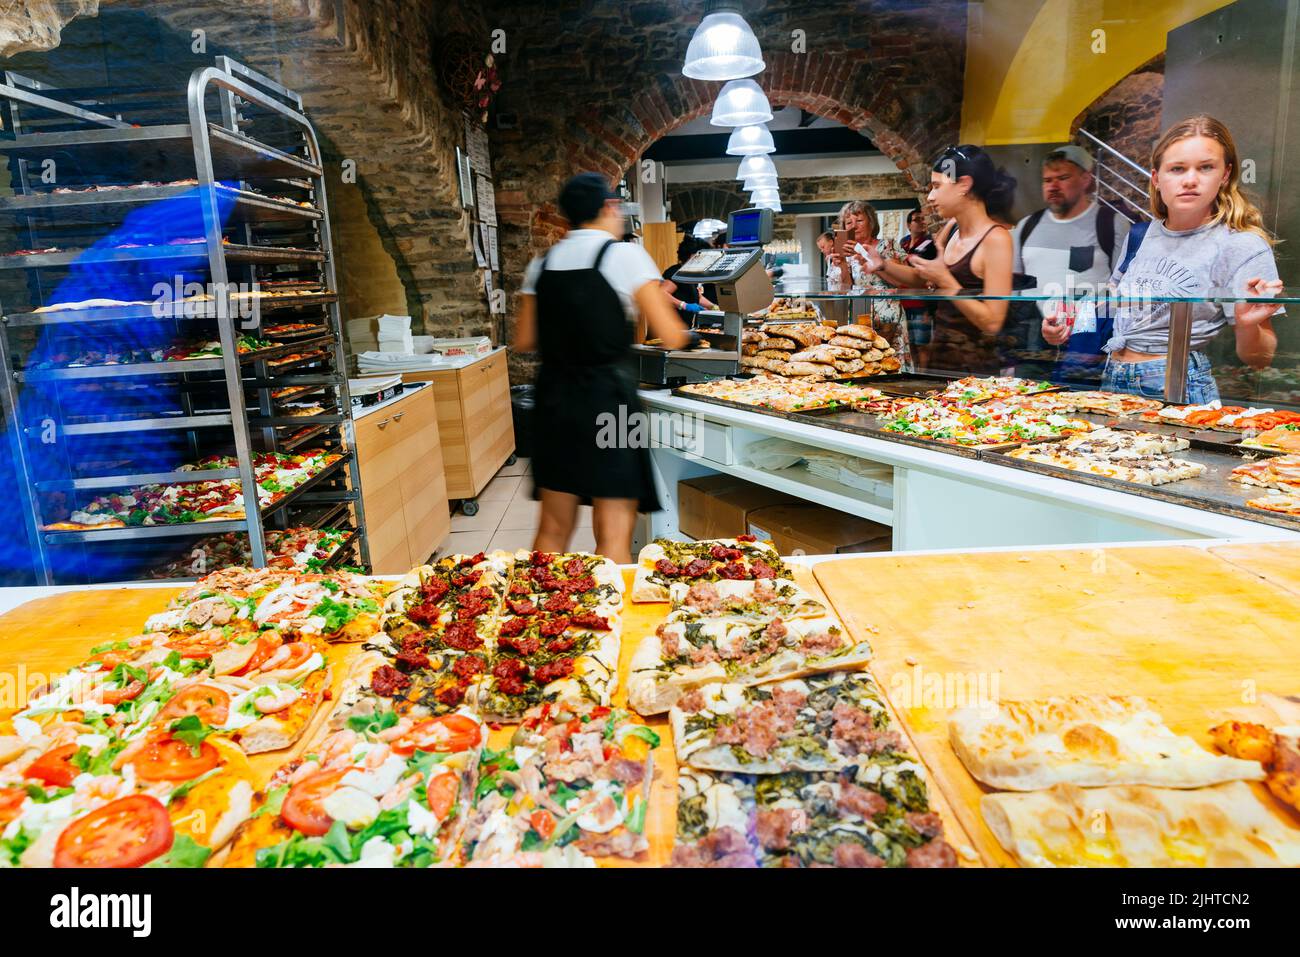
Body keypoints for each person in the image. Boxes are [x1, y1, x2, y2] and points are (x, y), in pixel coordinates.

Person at [511, 172, 691, 563]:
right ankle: (613, 616)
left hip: (555, 399)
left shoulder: (541, 265)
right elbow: (672, 336)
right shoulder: (624, 255)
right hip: (610, 403)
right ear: (609, 207)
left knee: (553, 528)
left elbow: (524, 340)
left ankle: (543, 613)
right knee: (613, 535)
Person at [1042, 115, 1284, 404]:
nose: (1190, 180)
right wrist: (1067, 327)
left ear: (1224, 175)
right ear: (1157, 178)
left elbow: (1260, 358)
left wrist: (1247, 325)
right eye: (1177, 169)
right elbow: (1111, 303)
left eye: (1206, 167)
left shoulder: (1242, 245)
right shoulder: (1142, 234)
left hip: (1177, 382)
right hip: (1112, 376)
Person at [857, 146, 1016, 375]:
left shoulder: (996, 239)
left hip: (976, 369)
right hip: (940, 358)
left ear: (964, 185)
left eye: (937, 186)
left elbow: (992, 322)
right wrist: (882, 264)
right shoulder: (951, 228)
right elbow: (923, 278)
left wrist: (946, 281)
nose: (930, 196)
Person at [1012, 144, 1130, 381]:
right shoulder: (1026, 226)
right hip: (1034, 340)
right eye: (1047, 180)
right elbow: (1016, 284)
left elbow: (1122, 289)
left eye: (1063, 178)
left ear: (1085, 179)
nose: (1053, 186)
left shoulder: (1112, 224)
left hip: (1089, 340)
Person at [827, 199, 912, 368]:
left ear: (871, 222)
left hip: (889, 318)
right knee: (865, 366)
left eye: (859, 220)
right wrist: (843, 264)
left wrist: (870, 258)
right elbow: (846, 290)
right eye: (848, 222)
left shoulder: (888, 245)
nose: (854, 226)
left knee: (893, 365)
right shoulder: (845, 252)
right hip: (860, 317)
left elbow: (902, 281)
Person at [899, 208, 938, 366]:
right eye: (917, 219)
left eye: (924, 219)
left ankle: (924, 375)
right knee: (910, 344)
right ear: (909, 224)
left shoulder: (931, 244)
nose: (922, 222)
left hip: (922, 303)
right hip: (903, 301)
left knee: (923, 344)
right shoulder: (903, 242)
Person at [662, 236, 717, 323]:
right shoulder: (675, 272)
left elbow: (696, 296)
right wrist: (683, 305)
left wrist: (714, 307)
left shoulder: (690, 274)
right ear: (691, 255)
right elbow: (661, 293)